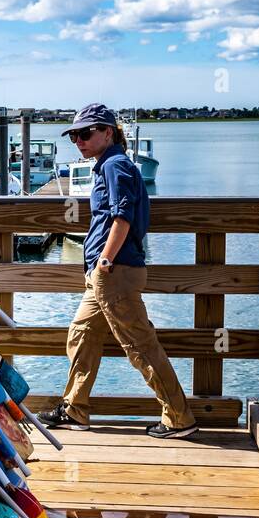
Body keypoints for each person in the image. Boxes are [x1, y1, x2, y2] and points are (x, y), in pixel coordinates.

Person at [39, 103, 197, 439]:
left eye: (86, 133)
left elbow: (122, 217)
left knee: (139, 345)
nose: (78, 140)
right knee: (82, 334)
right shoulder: (106, 165)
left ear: (108, 132)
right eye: (74, 136)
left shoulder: (116, 165)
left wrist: (105, 262)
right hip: (106, 274)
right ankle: (75, 410)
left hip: (115, 272)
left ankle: (179, 417)